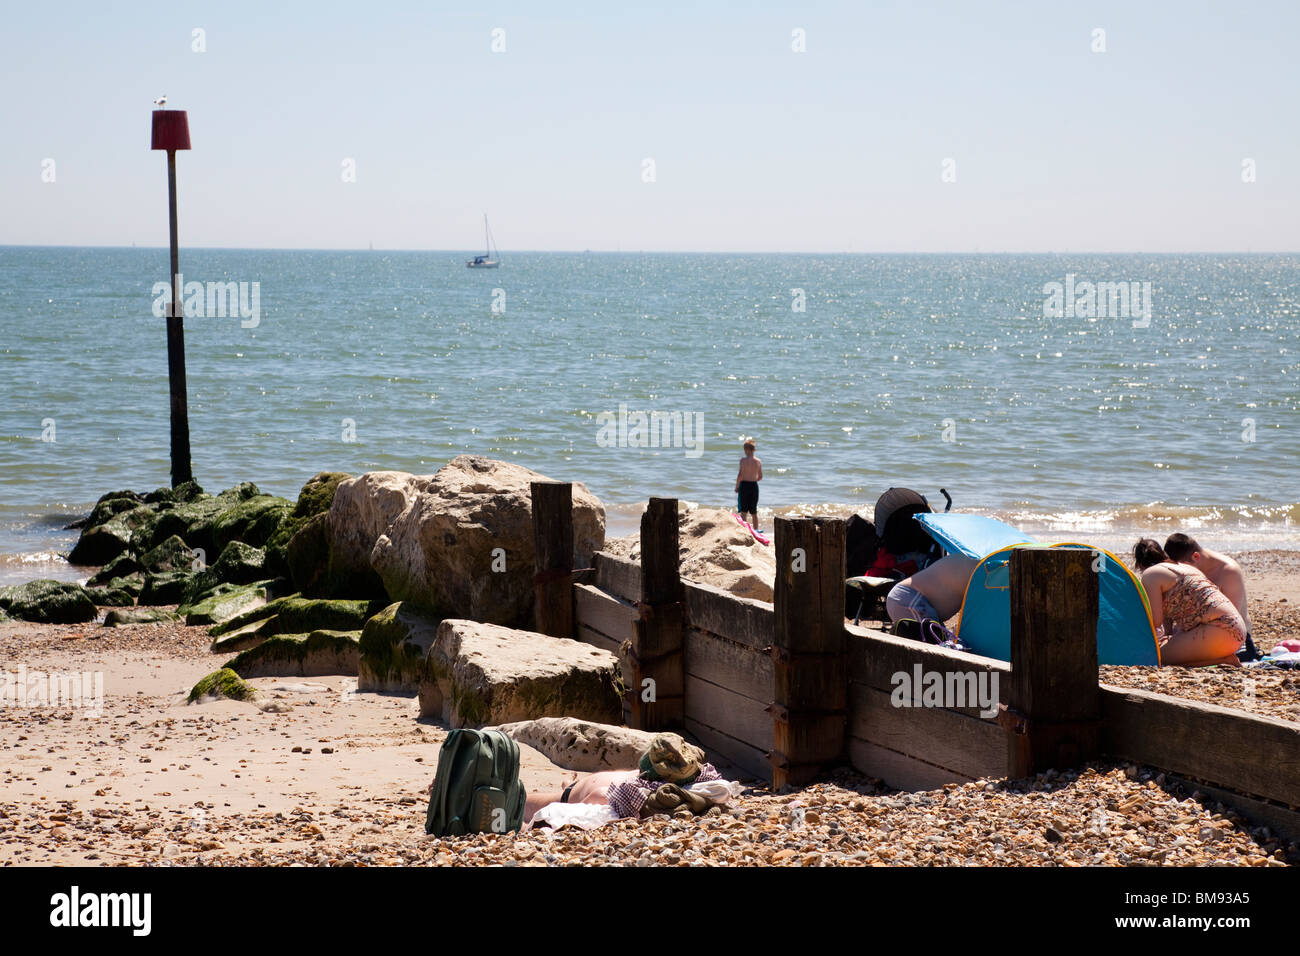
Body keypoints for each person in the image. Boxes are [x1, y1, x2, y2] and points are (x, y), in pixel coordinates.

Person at [1133, 539, 1246, 667]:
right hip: (1238, 630)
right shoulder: (1185, 567)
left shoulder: (1149, 575)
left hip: (1219, 630)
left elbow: (1156, 620)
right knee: (1168, 648)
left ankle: (1224, 661)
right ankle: (1223, 657)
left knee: (1158, 657)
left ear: (1140, 565)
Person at [1163, 533, 1256, 657]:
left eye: (1183, 567)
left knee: (1165, 656)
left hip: (1231, 634)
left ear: (1196, 556)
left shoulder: (1228, 571)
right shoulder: (1185, 569)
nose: (1182, 572)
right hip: (1195, 630)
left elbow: (1232, 619)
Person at [886, 553, 979, 625]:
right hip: (908, 598)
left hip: (910, 598)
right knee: (933, 641)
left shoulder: (970, 559)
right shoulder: (979, 566)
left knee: (941, 639)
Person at [734, 438, 763, 530]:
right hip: (754, 486)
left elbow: (740, 475)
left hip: (744, 486)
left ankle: (745, 529)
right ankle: (756, 530)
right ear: (754, 449)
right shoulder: (758, 461)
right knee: (754, 511)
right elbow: (760, 476)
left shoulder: (743, 461)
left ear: (746, 449)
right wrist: (753, 480)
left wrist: (737, 486)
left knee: (744, 511)